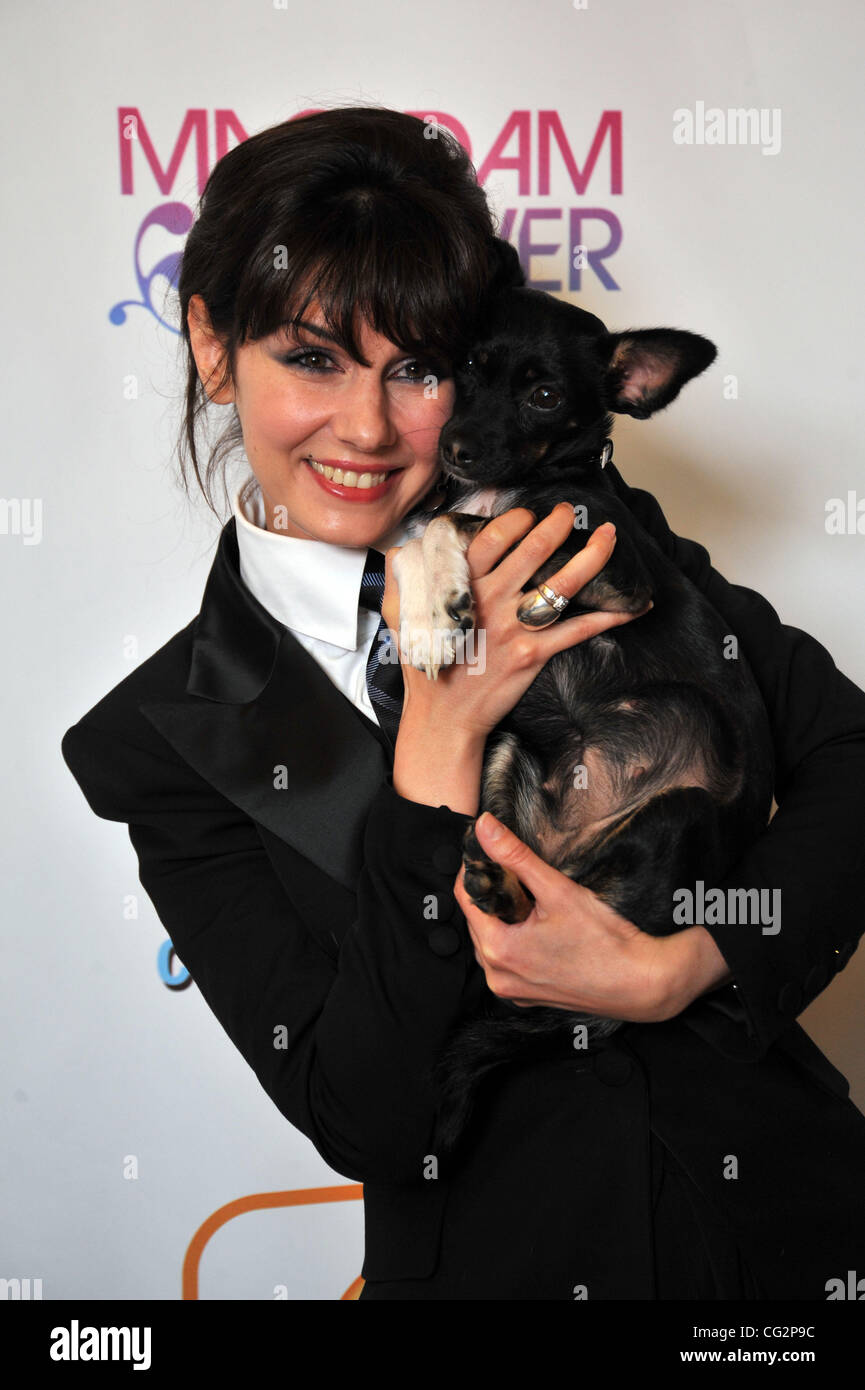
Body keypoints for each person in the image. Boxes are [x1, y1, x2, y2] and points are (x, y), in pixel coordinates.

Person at [61, 105, 865, 1301]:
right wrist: (437, 739)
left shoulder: (608, 543)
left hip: (791, 1246)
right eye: (313, 357)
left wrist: (690, 963)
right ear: (214, 346)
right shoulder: (162, 741)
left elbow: (853, 762)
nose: (371, 427)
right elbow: (365, 1111)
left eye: (419, 367)